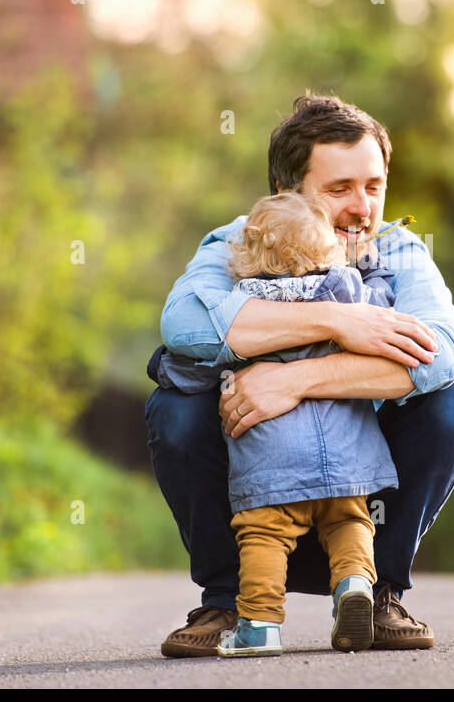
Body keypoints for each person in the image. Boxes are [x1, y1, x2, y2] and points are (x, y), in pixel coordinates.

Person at [145, 92, 454, 657]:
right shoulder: (240, 241)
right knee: (174, 404)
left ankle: (377, 595)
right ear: (287, 193)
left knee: (451, 400)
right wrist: (337, 318)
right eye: (339, 189)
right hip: (255, 505)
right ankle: (227, 600)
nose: (362, 208)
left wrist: (295, 379)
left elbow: (441, 354)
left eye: (373, 187)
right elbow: (183, 325)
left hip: (356, 511)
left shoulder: (400, 253)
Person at [153, 191, 400, 655]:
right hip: (345, 458)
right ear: (328, 250)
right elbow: (385, 317)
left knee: (263, 536)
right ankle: (355, 588)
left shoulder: (246, 308)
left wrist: (165, 370)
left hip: (271, 463)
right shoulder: (349, 293)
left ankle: (260, 626)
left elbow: (195, 364)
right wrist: (376, 273)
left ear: (246, 259)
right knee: (350, 521)